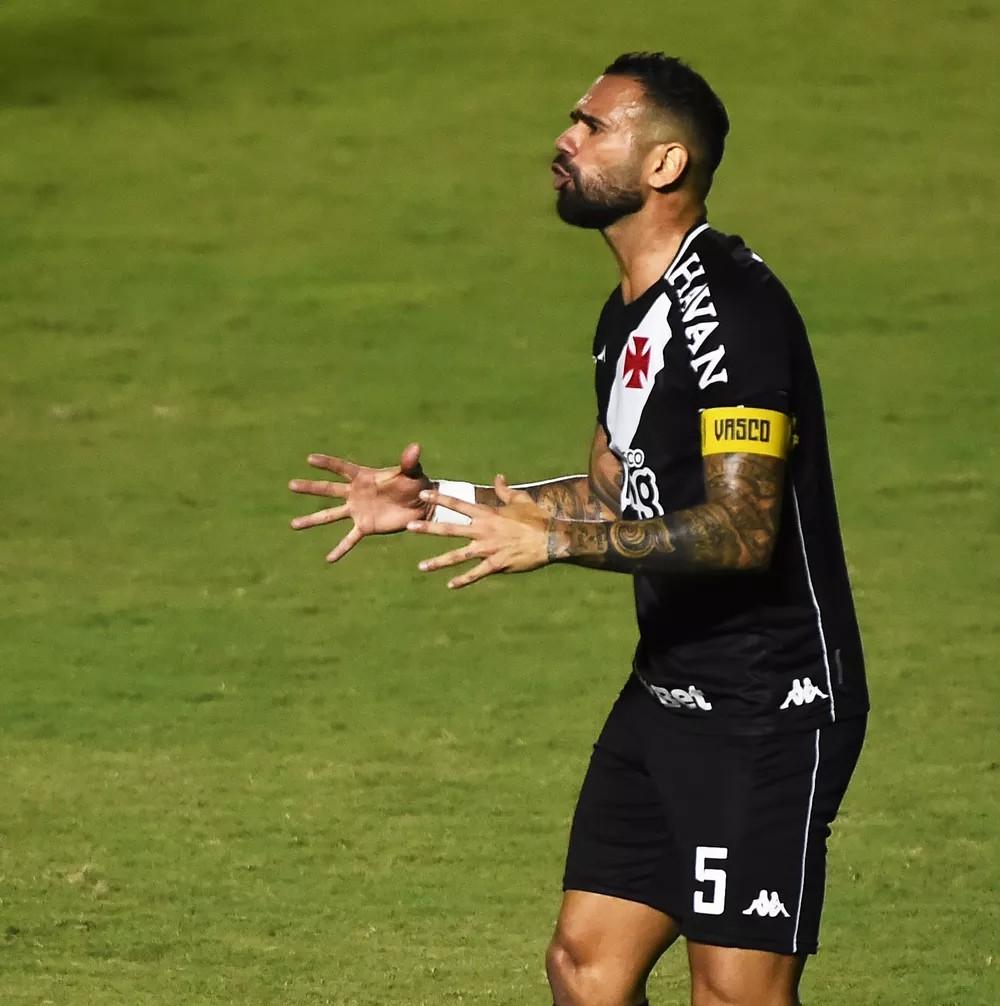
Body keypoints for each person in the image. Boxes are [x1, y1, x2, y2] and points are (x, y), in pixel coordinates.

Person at [289, 52, 868, 1006]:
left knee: (734, 995)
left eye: (593, 127)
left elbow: (741, 530)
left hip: (769, 704)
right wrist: (436, 502)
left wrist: (554, 545)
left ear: (665, 165)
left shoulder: (732, 309)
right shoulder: (627, 315)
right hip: (670, 689)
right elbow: (611, 491)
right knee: (586, 968)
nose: (565, 138)